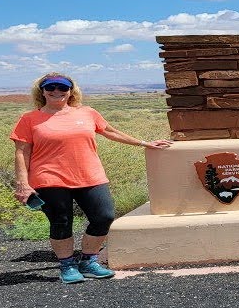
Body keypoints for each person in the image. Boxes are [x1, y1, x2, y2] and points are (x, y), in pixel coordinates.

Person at [11, 72, 173, 284]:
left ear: (71, 91)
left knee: (104, 216)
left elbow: (111, 132)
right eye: (50, 88)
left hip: (90, 175)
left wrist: (144, 143)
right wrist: (23, 184)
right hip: (49, 177)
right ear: (42, 91)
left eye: (62, 87)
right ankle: (67, 265)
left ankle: (88, 261)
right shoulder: (29, 119)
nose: (56, 92)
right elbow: (21, 152)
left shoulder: (87, 113)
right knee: (61, 221)